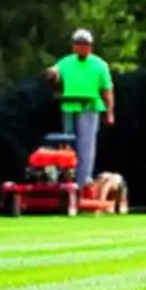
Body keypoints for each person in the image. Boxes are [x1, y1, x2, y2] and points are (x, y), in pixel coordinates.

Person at [45, 29, 115, 187]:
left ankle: (83, 181)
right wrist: (51, 74)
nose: (81, 47)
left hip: (89, 107)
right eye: (78, 44)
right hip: (69, 106)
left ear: (90, 47)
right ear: (73, 46)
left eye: (84, 44)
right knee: (67, 144)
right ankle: (67, 178)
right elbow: (56, 71)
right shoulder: (67, 62)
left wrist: (109, 112)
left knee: (86, 144)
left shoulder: (99, 65)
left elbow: (107, 90)